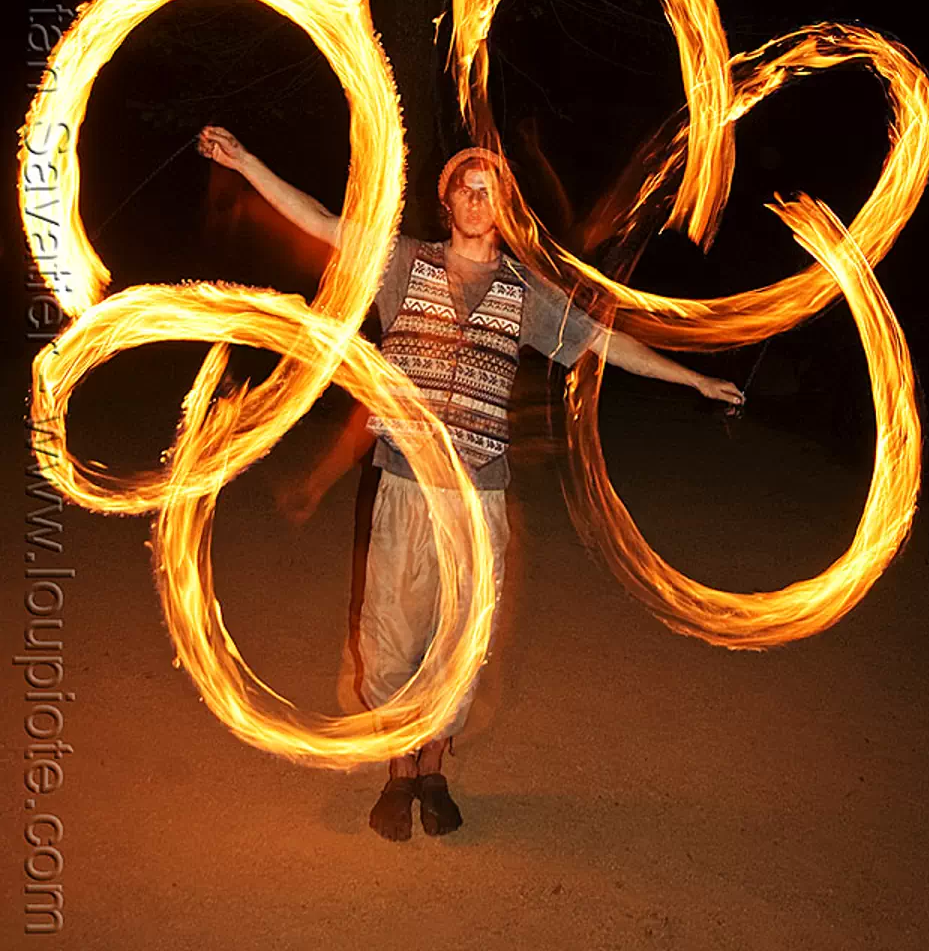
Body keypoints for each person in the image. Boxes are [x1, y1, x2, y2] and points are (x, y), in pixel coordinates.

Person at [197, 125, 744, 841]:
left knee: (458, 645)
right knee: (391, 641)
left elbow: (603, 343)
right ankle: (397, 775)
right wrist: (246, 161)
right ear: (445, 198)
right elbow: (324, 222)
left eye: (491, 191)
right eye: (466, 186)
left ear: (506, 208)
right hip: (403, 485)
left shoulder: (527, 294)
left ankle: (433, 773)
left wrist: (695, 377)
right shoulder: (399, 264)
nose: (478, 199)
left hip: (478, 496)